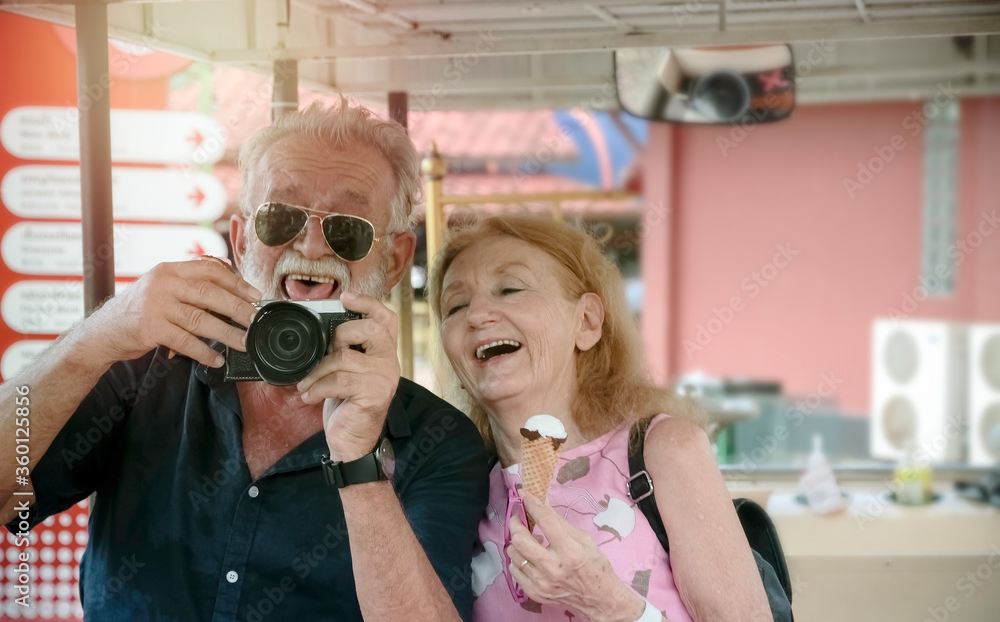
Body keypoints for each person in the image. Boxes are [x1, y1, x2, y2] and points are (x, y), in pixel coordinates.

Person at [0, 100, 490, 621]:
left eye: (347, 228)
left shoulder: (438, 442)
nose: (311, 243)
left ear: (392, 261)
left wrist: (360, 464)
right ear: (240, 240)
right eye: (281, 218)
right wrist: (103, 332)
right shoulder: (149, 364)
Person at [429, 214, 773, 622]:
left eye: (510, 289)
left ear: (587, 323)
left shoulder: (663, 449)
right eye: (456, 305)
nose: (477, 314)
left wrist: (607, 603)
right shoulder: (453, 484)